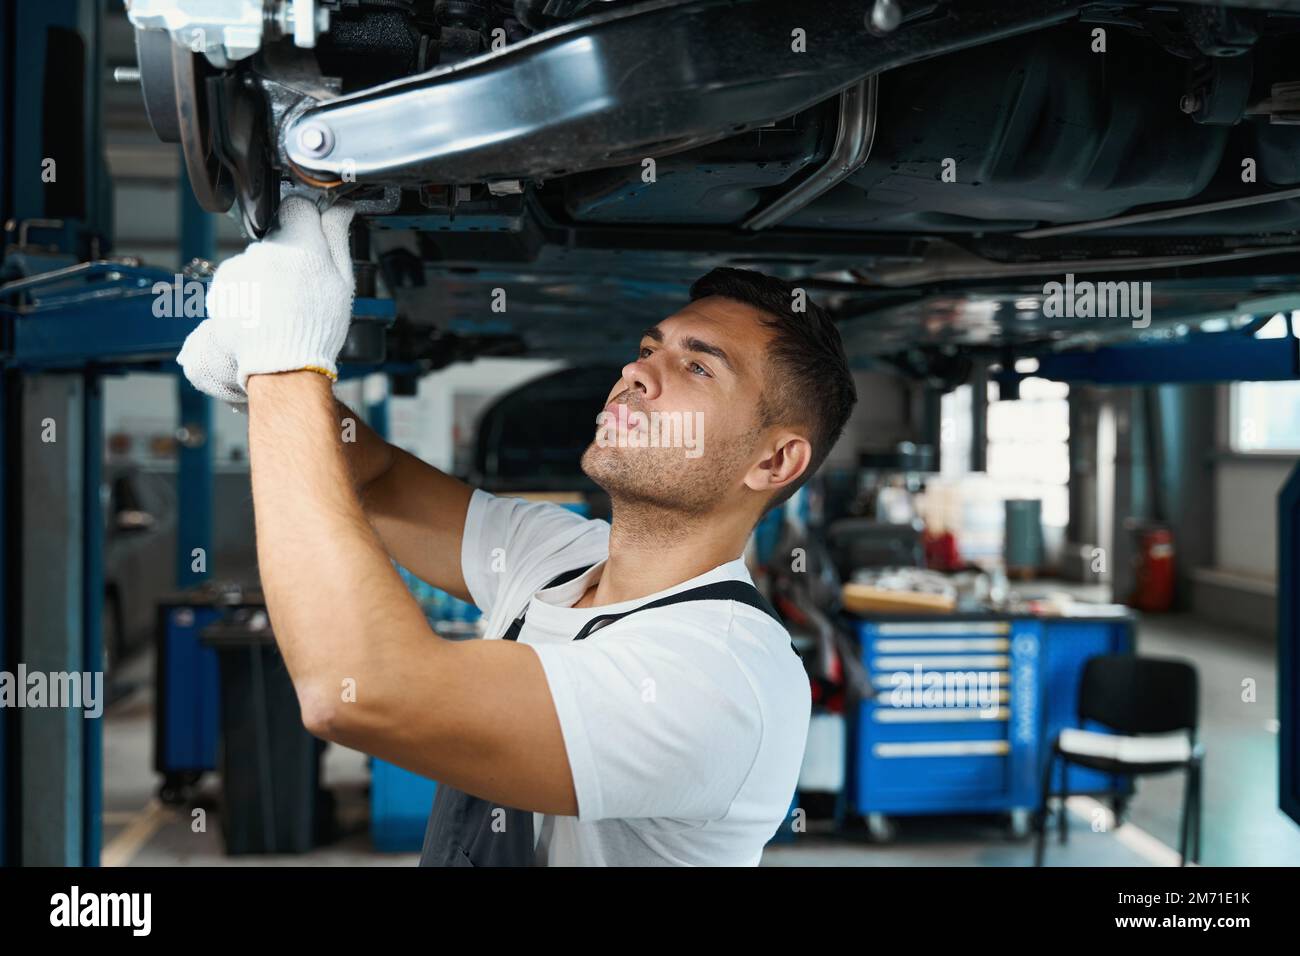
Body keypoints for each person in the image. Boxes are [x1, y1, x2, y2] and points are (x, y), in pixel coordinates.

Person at [177, 194, 857, 865]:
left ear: (774, 460)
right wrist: (256, 378)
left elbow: (359, 692)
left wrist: (283, 370)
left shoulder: (723, 678)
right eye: (651, 347)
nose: (636, 373)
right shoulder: (558, 557)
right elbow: (377, 480)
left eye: (698, 366)